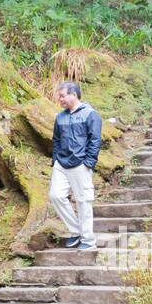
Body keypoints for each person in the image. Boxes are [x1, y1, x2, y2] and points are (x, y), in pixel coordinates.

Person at [49, 81, 103, 250]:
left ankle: (88, 240)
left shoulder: (90, 114)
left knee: (83, 200)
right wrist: (55, 159)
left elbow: (95, 140)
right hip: (61, 164)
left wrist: (89, 162)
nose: (60, 99)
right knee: (55, 195)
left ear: (74, 94)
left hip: (80, 163)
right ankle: (76, 230)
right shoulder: (60, 117)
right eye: (59, 96)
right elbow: (56, 140)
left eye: (63, 95)